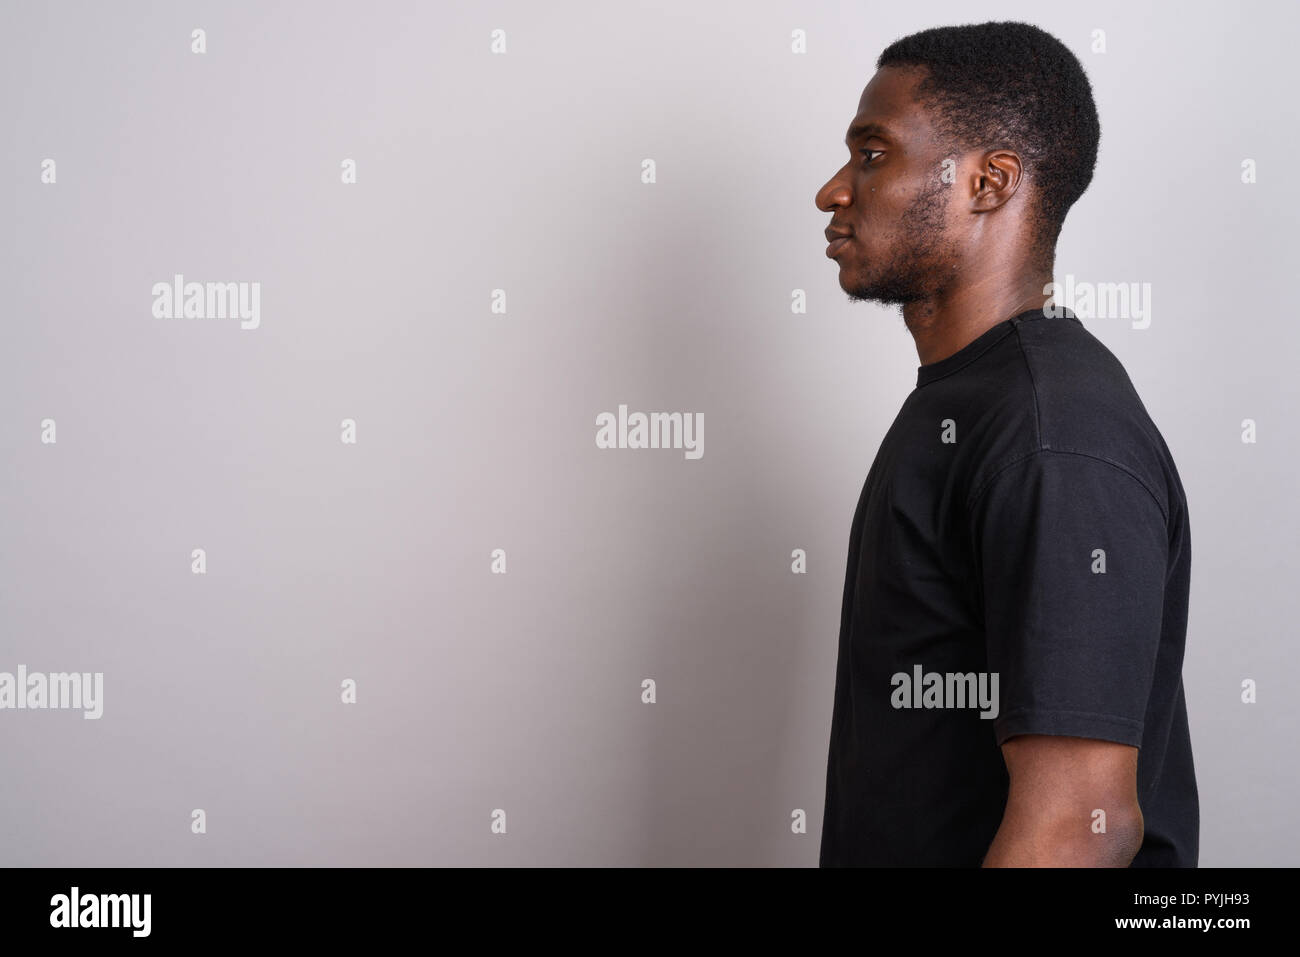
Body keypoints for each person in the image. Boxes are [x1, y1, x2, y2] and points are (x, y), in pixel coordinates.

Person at [815, 21, 1198, 866]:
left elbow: (1077, 827)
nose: (833, 191)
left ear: (988, 182)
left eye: (873, 155)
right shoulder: (973, 401)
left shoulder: (1054, 434)